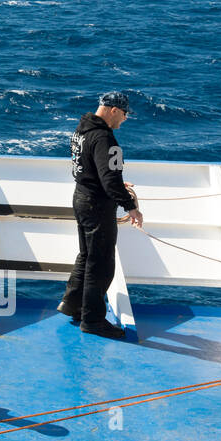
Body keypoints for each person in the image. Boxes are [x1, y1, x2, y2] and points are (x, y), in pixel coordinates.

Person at [58, 92, 144, 339]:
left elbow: (89, 166)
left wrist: (110, 181)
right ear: (114, 110)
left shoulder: (81, 130)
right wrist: (131, 207)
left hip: (81, 197)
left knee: (87, 256)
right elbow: (110, 181)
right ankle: (93, 320)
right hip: (97, 205)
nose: (125, 119)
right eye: (125, 114)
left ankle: (73, 305)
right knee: (102, 263)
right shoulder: (106, 140)